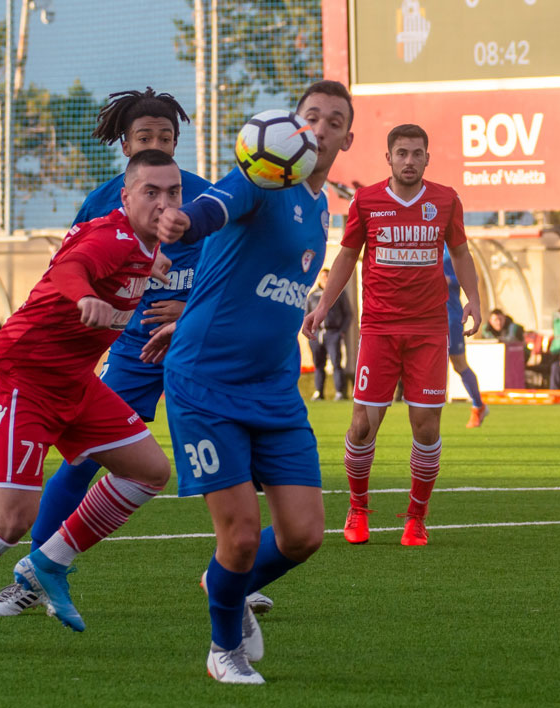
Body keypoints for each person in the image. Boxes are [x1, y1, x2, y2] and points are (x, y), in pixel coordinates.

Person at [0, 87, 280, 619]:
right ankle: (35, 573)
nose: (157, 144)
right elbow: (66, 272)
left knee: (232, 455)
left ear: (178, 141)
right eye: (145, 137)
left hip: (202, 345)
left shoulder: (207, 198)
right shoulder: (104, 201)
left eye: (166, 137)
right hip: (131, 348)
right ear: (125, 145)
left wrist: (188, 308)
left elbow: (234, 269)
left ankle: (236, 574)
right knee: (81, 459)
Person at [0, 149, 179, 656]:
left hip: (73, 381)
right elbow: (72, 268)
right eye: (151, 192)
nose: (164, 203)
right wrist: (83, 294)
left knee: (150, 471)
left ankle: (49, 563)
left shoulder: (151, 247)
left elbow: (136, 263)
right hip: (21, 376)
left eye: (172, 193)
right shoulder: (113, 237)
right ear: (126, 197)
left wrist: (158, 273)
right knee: (12, 520)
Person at [147, 80, 355, 685]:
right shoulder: (264, 179)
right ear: (291, 126)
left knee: (304, 535)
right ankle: (223, 650)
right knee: (238, 537)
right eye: (310, 116)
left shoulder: (319, 209)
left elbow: (251, 281)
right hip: (206, 386)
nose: (319, 127)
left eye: (333, 121)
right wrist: (184, 221)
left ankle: (224, 585)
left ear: (347, 137)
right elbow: (214, 209)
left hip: (275, 390)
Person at [303, 122, 481, 550]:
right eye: (401, 153)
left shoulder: (445, 200)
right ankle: (358, 508)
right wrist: (324, 304)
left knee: (425, 424)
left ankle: (416, 519)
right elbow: (347, 255)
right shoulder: (366, 201)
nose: (409, 161)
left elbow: (460, 252)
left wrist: (474, 298)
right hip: (379, 329)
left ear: (426, 158)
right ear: (388, 158)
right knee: (363, 425)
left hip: (429, 330)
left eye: (417, 153)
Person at [443, 248, 487, 427]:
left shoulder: (451, 246)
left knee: (459, 364)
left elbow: (473, 278)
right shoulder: (420, 239)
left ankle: (478, 406)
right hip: (425, 316)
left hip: (451, 316)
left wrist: (448, 280)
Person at [305, 268, 352, 401]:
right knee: (319, 364)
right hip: (316, 334)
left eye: (327, 276)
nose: (325, 279)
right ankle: (319, 392)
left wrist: (341, 331)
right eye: (323, 276)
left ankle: (339, 392)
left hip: (333, 333)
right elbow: (307, 314)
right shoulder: (313, 295)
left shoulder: (339, 294)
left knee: (336, 363)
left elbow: (348, 314)